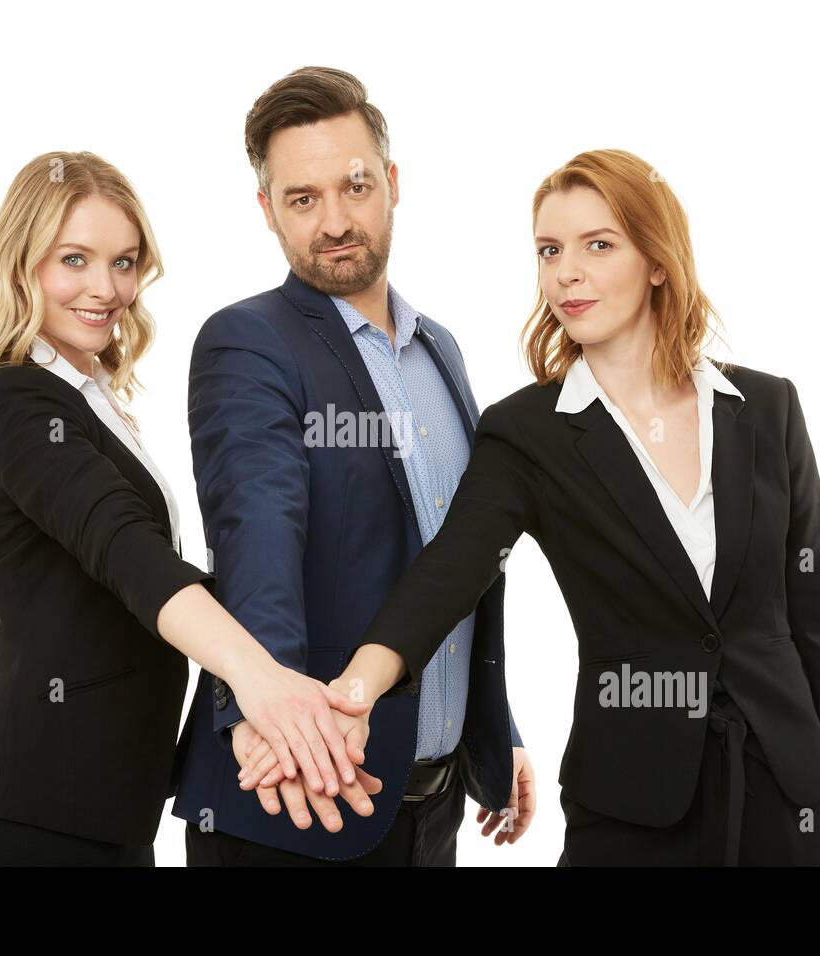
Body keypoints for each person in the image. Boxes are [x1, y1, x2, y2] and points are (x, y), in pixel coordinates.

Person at [242, 148, 820, 867]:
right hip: (633, 811)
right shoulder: (529, 432)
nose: (566, 272)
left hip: (789, 804)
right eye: (549, 250)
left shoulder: (768, 408)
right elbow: (446, 579)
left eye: (598, 244)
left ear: (657, 260)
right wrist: (355, 692)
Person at [0, 151, 367, 866]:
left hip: (111, 808)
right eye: (74, 259)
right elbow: (127, 550)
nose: (106, 289)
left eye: (125, 262)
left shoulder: (90, 393)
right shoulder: (15, 399)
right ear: (22, 265)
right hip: (36, 811)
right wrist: (262, 684)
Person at [170, 67, 534, 866]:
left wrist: (492, 726)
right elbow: (256, 535)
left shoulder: (442, 350)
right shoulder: (250, 343)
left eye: (355, 186)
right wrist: (275, 724)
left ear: (393, 184)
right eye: (302, 199)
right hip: (298, 800)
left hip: (429, 807)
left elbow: (458, 556)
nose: (334, 221)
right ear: (267, 211)